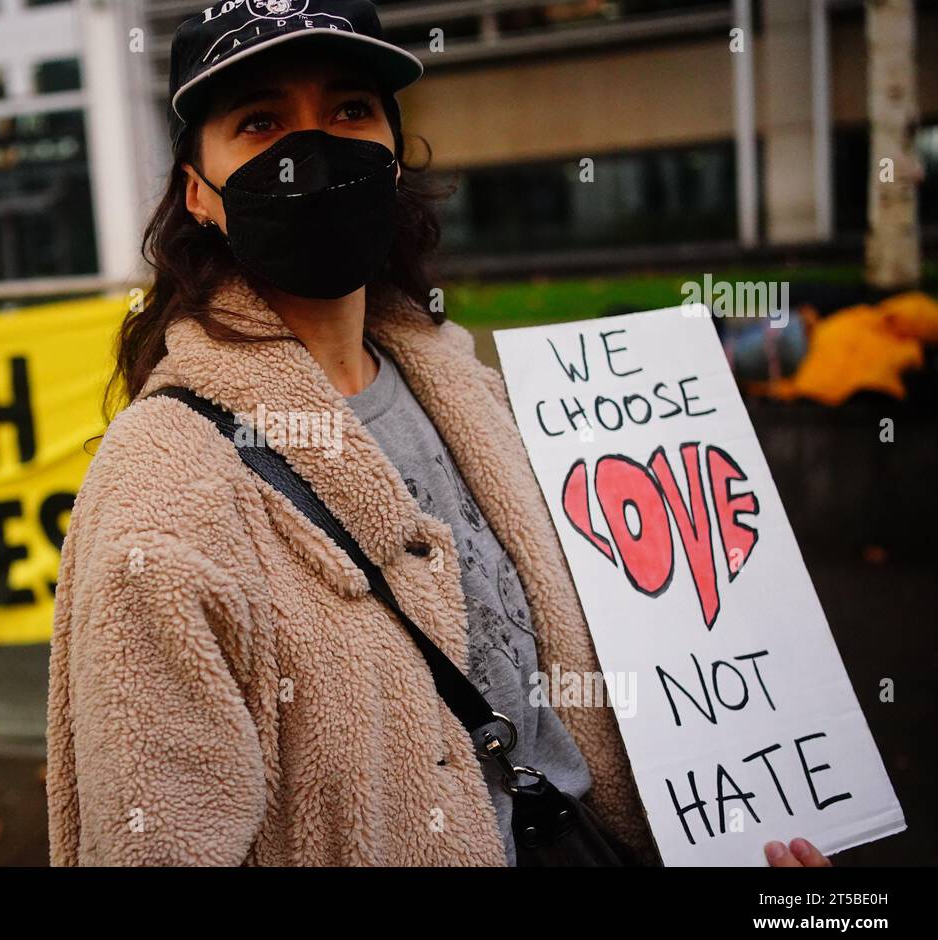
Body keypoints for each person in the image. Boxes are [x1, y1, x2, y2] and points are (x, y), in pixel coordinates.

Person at [45, 0, 831, 868]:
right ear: (199, 193)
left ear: (391, 154)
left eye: (349, 110)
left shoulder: (480, 399)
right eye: (261, 121)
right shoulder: (163, 492)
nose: (313, 149)